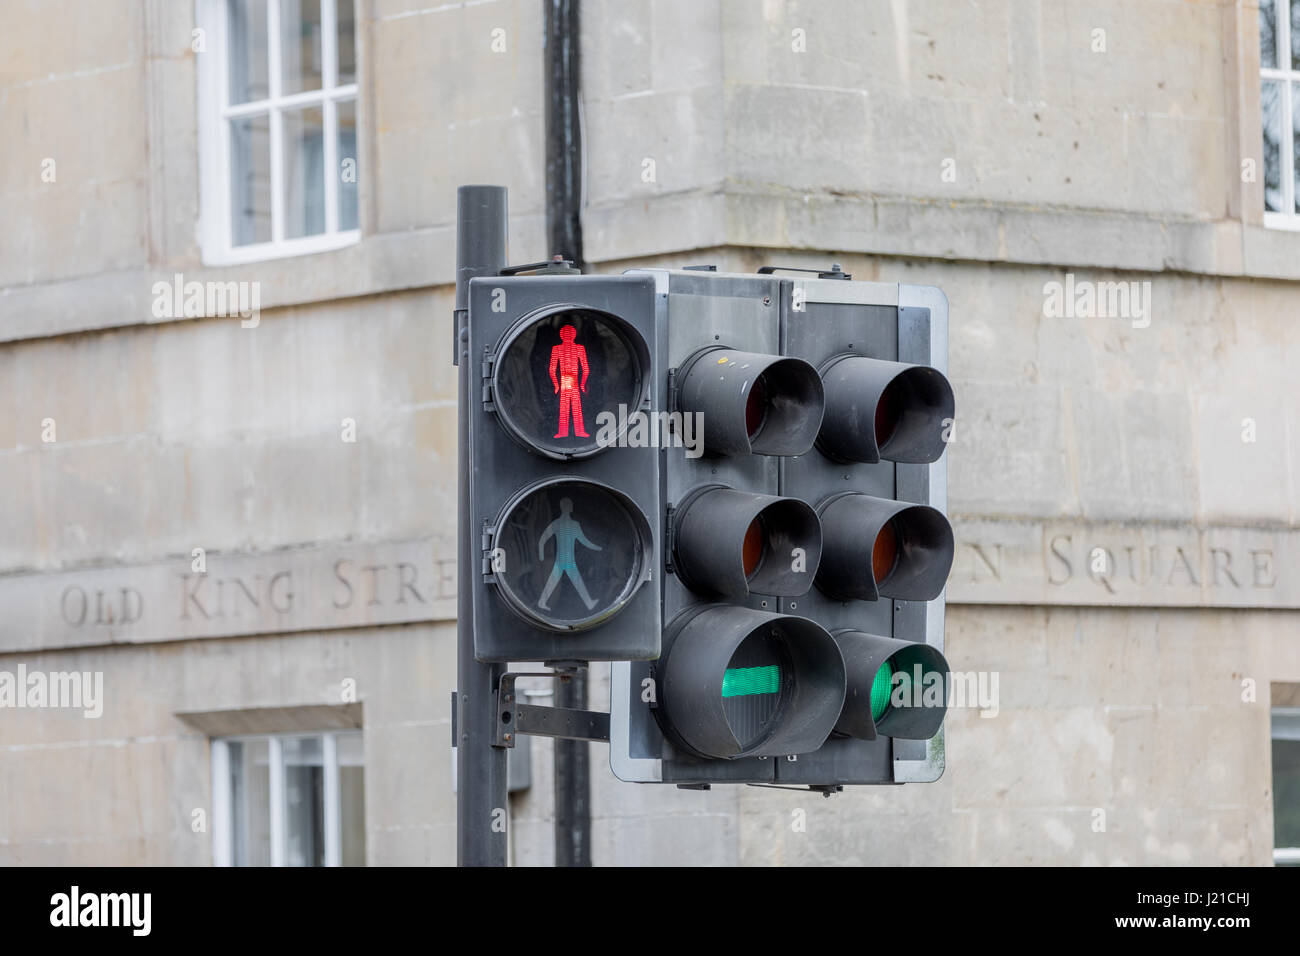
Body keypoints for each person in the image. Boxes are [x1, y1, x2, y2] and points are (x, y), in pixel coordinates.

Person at [537, 498, 601, 611]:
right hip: (564, 561)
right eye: (570, 505)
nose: (571, 507)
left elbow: (543, 539)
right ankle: (589, 603)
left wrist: (596, 547)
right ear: (566, 507)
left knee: (571, 583)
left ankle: (589, 603)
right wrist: (541, 555)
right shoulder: (563, 524)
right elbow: (543, 539)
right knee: (560, 583)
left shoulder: (566, 524)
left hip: (566, 561)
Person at [548, 324, 590, 438]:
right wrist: (582, 384)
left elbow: (552, 370)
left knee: (565, 407)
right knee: (576, 407)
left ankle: (564, 432)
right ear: (574, 335)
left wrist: (556, 385)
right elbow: (586, 370)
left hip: (565, 380)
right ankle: (578, 431)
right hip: (573, 381)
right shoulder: (579, 349)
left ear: (561, 335)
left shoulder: (557, 349)